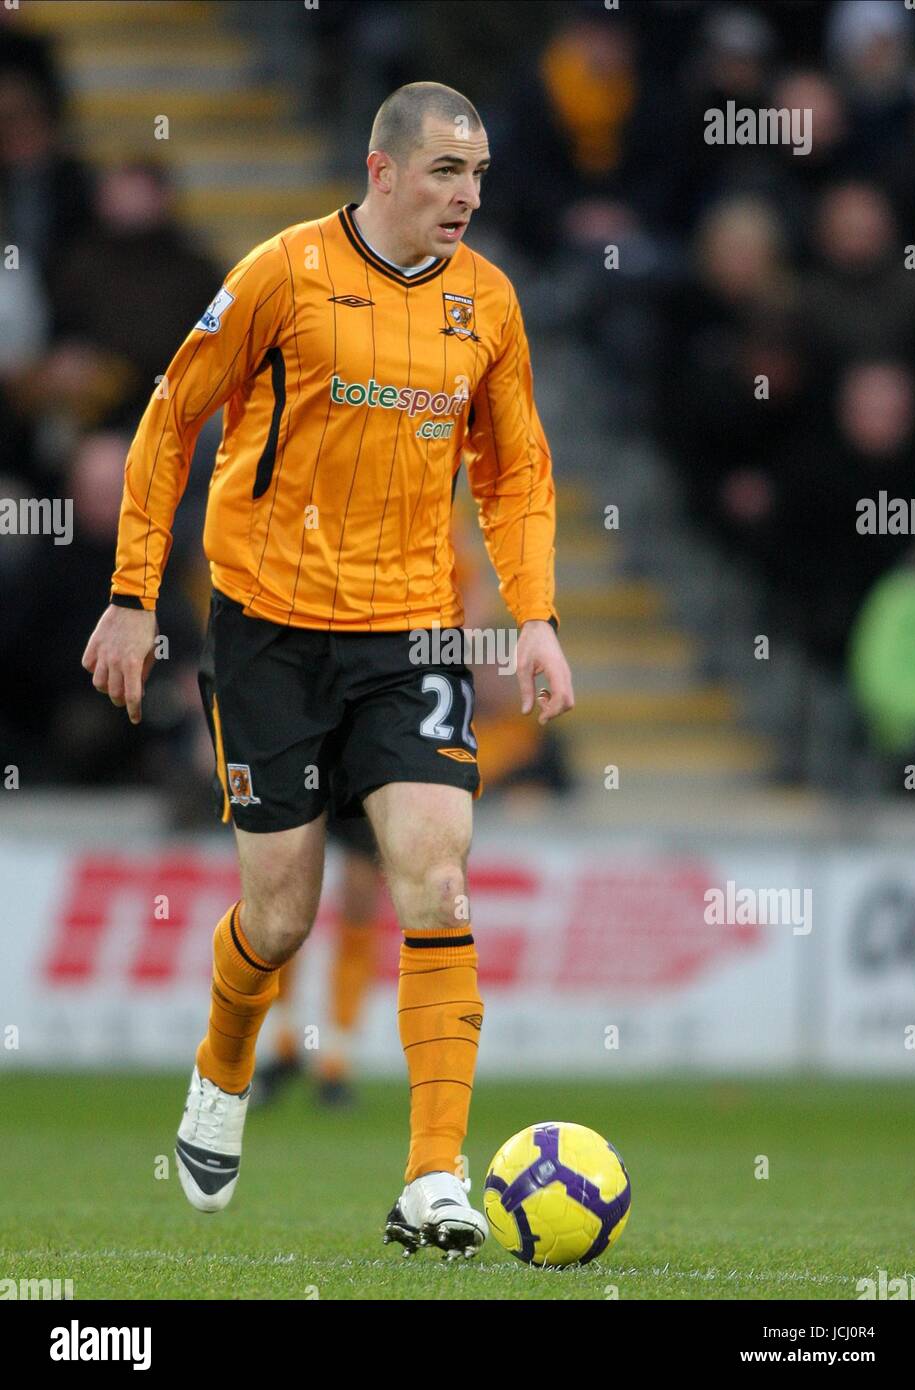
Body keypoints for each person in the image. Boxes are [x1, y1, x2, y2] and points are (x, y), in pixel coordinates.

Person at [81, 81, 573, 1260]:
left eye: (479, 175)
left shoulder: (488, 304)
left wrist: (537, 618)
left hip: (412, 633)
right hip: (269, 630)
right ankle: (223, 1064)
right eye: (446, 171)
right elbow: (170, 416)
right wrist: (133, 594)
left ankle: (432, 1176)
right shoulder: (281, 273)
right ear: (384, 168)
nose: (464, 196)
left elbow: (514, 474)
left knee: (434, 880)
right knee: (282, 911)